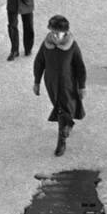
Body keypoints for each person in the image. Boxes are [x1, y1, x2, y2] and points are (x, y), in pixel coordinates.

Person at [32, 14, 86, 157]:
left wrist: (82, 86)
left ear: (65, 32)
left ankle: (61, 142)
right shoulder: (46, 45)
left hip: (68, 84)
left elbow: (80, 67)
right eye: (52, 31)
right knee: (60, 108)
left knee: (63, 109)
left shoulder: (72, 46)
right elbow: (39, 63)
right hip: (51, 84)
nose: (54, 35)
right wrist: (36, 82)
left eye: (57, 32)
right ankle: (68, 124)